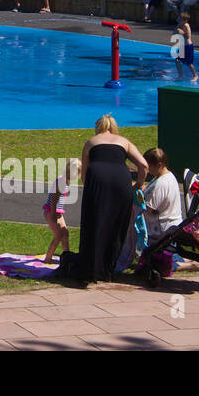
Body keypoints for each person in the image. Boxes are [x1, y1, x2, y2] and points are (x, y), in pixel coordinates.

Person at [63, 114, 148, 283]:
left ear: (98, 127)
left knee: (93, 223)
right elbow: (144, 165)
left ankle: (90, 268)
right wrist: (138, 184)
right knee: (117, 225)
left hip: (97, 180)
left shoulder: (90, 142)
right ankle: (108, 269)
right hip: (121, 181)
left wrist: (92, 192)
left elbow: (85, 175)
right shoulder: (124, 141)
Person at [42, 159, 80, 264]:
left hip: (57, 212)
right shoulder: (61, 182)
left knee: (65, 234)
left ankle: (66, 258)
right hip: (51, 212)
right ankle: (48, 258)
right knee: (59, 235)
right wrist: (54, 214)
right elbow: (54, 199)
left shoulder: (64, 181)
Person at [174, 11, 198, 82]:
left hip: (188, 46)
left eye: (180, 19)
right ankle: (180, 76)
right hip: (182, 46)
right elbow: (175, 32)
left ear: (185, 20)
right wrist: (178, 29)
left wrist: (181, 31)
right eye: (179, 19)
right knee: (177, 60)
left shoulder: (186, 25)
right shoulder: (179, 25)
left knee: (188, 63)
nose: (179, 20)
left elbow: (187, 36)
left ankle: (195, 75)